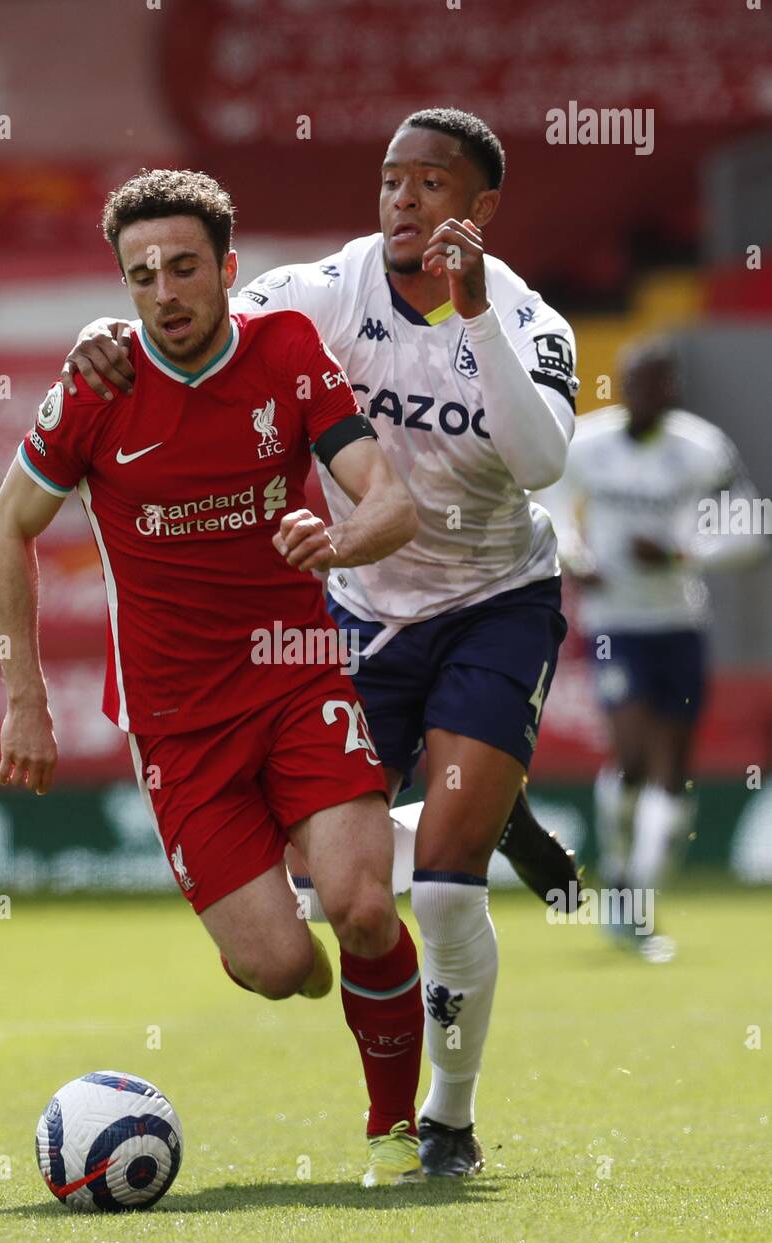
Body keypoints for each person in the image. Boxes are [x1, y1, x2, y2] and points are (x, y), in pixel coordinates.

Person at [62, 110, 580, 1179]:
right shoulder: (320, 291)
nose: (404, 200)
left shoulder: (531, 321)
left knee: (435, 889)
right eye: (392, 179)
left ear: (480, 210)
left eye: (433, 184)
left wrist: (476, 314)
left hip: (495, 600)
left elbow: (540, 465)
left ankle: (448, 1118)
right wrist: (98, 340)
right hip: (355, 612)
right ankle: (475, 792)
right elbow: (188, 324)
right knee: (325, 889)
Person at [0, 168, 426, 1187]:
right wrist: (25, 694)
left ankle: (400, 1128)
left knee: (364, 907)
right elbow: (9, 528)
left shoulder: (285, 352)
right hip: (177, 720)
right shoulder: (92, 388)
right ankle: (329, 952)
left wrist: (343, 539)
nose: (165, 292)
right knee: (279, 970)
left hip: (297, 675)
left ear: (230, 269)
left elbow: (390, 501)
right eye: (142, 275)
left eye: (185, 267)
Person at [548, 338, 767, 956]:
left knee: (673, 772)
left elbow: (751, 524)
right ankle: (622, 876)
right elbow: (550, 506)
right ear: (622, 384)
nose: (653, 393)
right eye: (641, 382)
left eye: (663, 382)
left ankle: (632, 896)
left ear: (673, 387)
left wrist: (682, 552)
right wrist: (574, 555)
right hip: (615, 622)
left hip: (680, 622)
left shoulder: (701, 449)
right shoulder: (587, 443)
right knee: (633, 756)